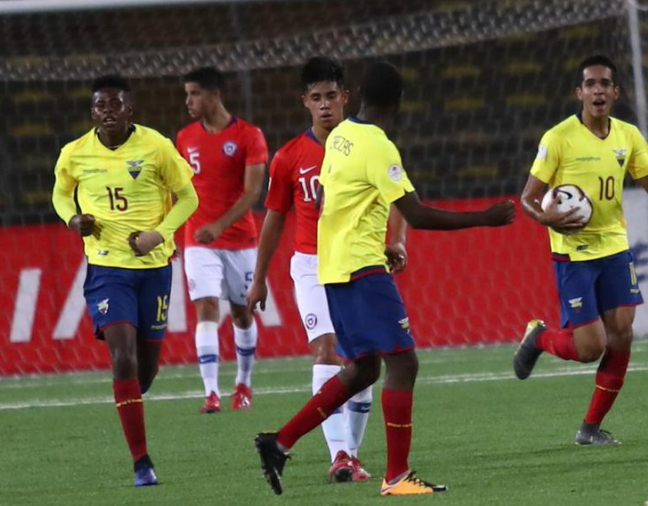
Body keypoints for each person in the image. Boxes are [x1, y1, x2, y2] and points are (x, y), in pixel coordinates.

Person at [254, 61, 515, 496]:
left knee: (362, 369)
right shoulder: (378, 146)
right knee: (403, 362)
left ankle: (278, 442)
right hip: (361, 268)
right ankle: (396, 476)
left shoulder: (341, 137)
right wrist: (483, 218)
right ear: (399, 102)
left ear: (356, 96)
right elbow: (416, 213)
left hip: (334, 268)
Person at [512, 55, 648, 446]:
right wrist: (548, 220)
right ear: (579, 93)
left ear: (615, 92)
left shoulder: (628, 136)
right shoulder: (558, 138)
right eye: (590, 84)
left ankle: (589, 428)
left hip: (615, 249)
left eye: (604, 83)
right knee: (590, 348)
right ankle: (539, 338)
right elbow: (528, 198)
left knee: (622, 336)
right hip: (574, 255)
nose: (598, 90)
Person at [246, 57, 407, 482]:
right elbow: (275, 217)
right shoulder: (288, 157)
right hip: (313, 265)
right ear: (304, 102)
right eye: (315, 98)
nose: (324, 106)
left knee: (364, 359)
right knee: (327, 350)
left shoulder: (365, 142)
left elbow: (398, 196)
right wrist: (259, 277)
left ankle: (350, 454)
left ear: (346, 97)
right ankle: (339, 453)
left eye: (331, 96)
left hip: (360, 260)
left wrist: (396, 240)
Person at [52, 74, 198, 486]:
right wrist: (73, 219)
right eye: (101, 105)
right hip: (106, 268)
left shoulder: (156, 147)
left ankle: (128, 397)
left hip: (153, 268)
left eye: (116, 104)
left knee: (145, 369)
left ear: (130, 110)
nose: (108, 111)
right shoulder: (75, 153)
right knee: (123, 357)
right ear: (92, 111)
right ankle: (142, 463)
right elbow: (61, 193)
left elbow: (189, 197)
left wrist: (159, 234)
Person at [176, 66, 269, 414]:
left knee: (243, 314)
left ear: (214, 95)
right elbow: (180, 188)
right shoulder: (184, 138)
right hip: (199, 239)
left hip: (241, 240)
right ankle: (211, 392)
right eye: (187, 94)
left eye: (194, 93)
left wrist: (219, 225)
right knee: (207, 308)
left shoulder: (249, 135)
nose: (188, 101)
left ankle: (243, 383)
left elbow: (252, 193)